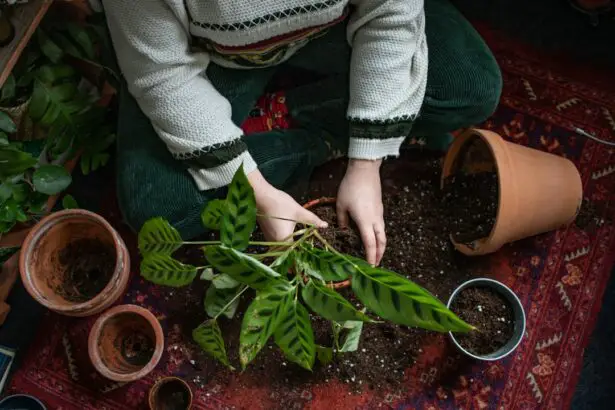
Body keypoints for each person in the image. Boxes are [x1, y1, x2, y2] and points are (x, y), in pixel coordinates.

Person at [102, 0, 502, 266]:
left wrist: (366, 164)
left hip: (332, 28)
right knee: (155, 206)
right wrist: (257, 192)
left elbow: (390, 13)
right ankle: (308, 126)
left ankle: (286, 116)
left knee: (471, 86)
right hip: (212, 55)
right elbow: (161, 73)